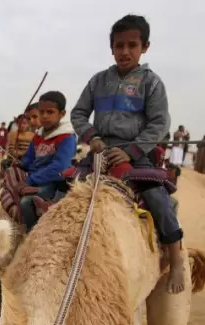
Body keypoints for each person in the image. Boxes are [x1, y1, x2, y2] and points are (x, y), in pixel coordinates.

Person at [71, 14, 185, 294]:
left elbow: (160, 124)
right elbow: (79, 113)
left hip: (136, 153)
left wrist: (132, 152)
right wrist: (92, 138)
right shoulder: (98, 81)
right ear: (111, 48)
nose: (125, 51)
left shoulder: (151, 83)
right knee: (63, 197)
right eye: (119, 45)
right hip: (99, 152)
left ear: (144, 47)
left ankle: (177, 260)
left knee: (158, 200)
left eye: (131, 45)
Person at [15, 91, 77, 231]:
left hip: (54, 182)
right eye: (42, 112)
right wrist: (22, 163)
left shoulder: (66, 137)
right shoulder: (38, 136)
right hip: (34, 177)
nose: (45, 116)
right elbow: (30, 158)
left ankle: (32, 233)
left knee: (26, 202)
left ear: (61, 114)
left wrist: (30, 180)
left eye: (50, 112)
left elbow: (59, 167)